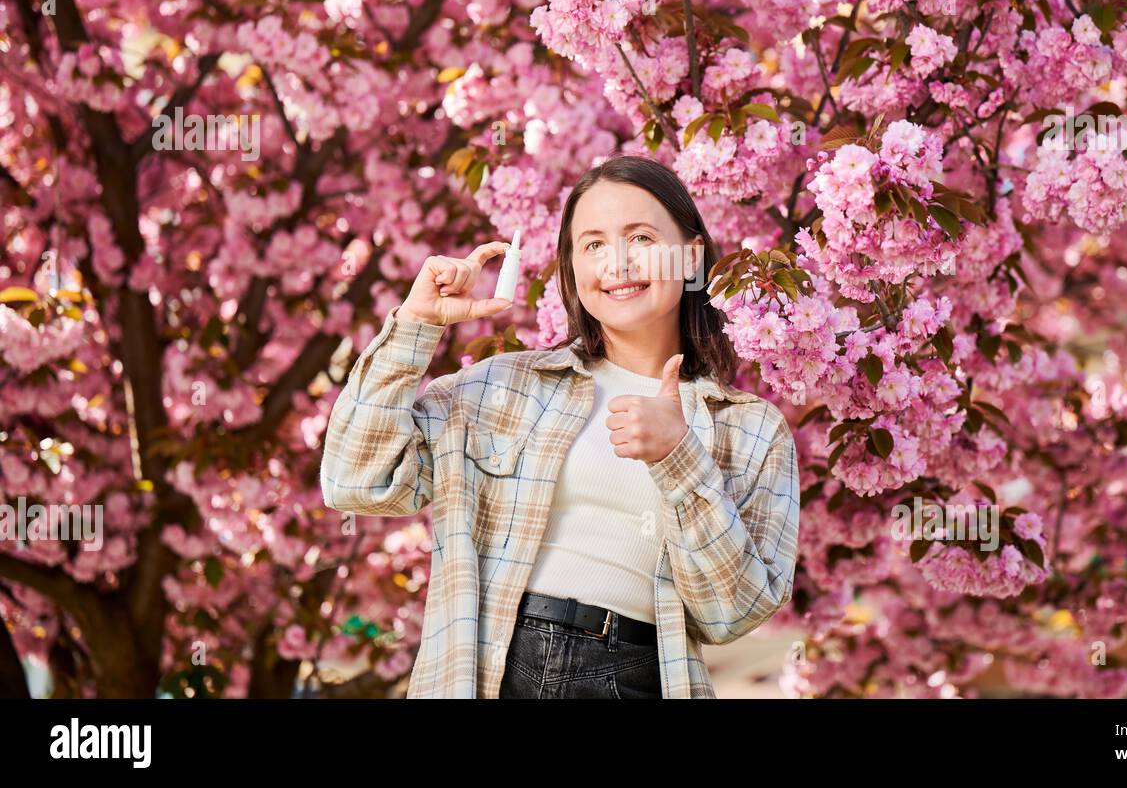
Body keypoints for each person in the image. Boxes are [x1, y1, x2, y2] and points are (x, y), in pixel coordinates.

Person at [320, 156, 801, 698]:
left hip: (636, 675)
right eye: (592, 244)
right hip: (493, 670)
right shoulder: (504, 387)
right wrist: (414, 327)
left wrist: (679, 458)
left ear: (691, 255)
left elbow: (730, 614)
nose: (616, 262)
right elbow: (356, 479)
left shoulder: (751, 429)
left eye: (640, 236)